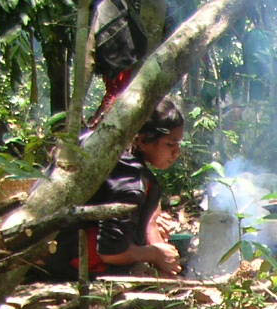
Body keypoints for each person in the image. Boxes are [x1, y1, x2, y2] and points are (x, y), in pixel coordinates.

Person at [42, 96, 184, 279]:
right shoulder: (129, 177)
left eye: (178, 144)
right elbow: (111, 252)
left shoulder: (100, 143)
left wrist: (161, 252)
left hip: (50, 243)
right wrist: (153, 254)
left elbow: (149, 218)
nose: (176, 152)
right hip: (65, 255)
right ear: (141, 140)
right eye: (170, 144)